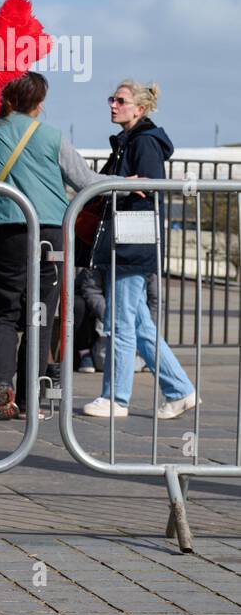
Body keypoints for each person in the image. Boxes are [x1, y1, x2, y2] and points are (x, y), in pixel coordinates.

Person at [0, 72, 100, 419]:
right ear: (39, 103)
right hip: (49, 230)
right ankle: (29, 400)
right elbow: (84, 180)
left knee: (4, 313)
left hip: (6, 229)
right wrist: (128, 183)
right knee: (39, 314)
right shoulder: (52, 135)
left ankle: (0, 386)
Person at [82, 81, 197, 419]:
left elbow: (146, 192)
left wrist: (122, 186)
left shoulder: (144, 142)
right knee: (139, 323)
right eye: (112, 99)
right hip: (126, 242)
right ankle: (180, 390)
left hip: (130, 244)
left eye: (121, 100)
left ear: (140, 109)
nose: (113, 105)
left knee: (120, 323)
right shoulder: (129, 141)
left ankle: (115, 398)